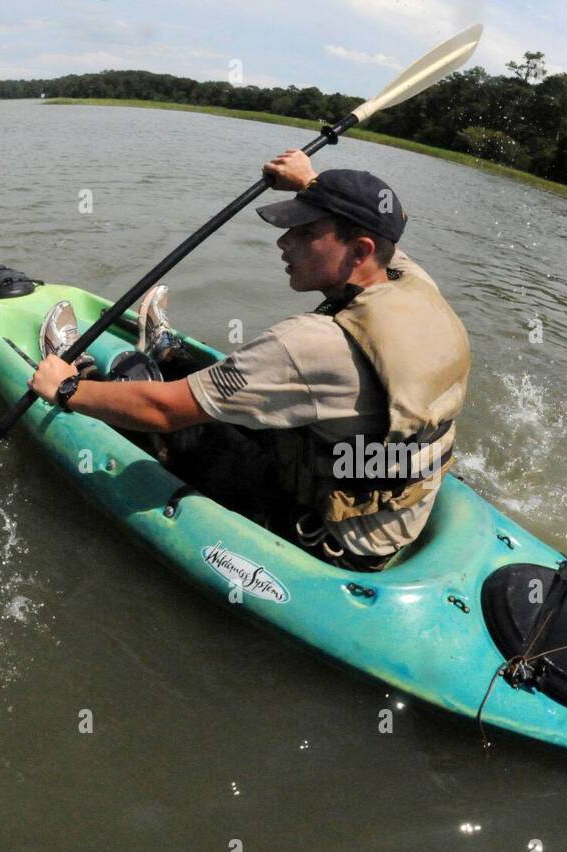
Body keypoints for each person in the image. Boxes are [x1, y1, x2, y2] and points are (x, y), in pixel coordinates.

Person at [27, 150, 471, 572]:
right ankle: (168, 352)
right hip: (384, 509)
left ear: (359, 251)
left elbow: (162, 411)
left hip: (328, 538)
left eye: (304, 232)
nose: (283, 242)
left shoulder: (309, 345)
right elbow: (383, 226)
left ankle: (80, 368)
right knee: (226, 386)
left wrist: (65, 389)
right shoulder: (413, 283)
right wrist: (311, 181)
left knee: (142, 386)